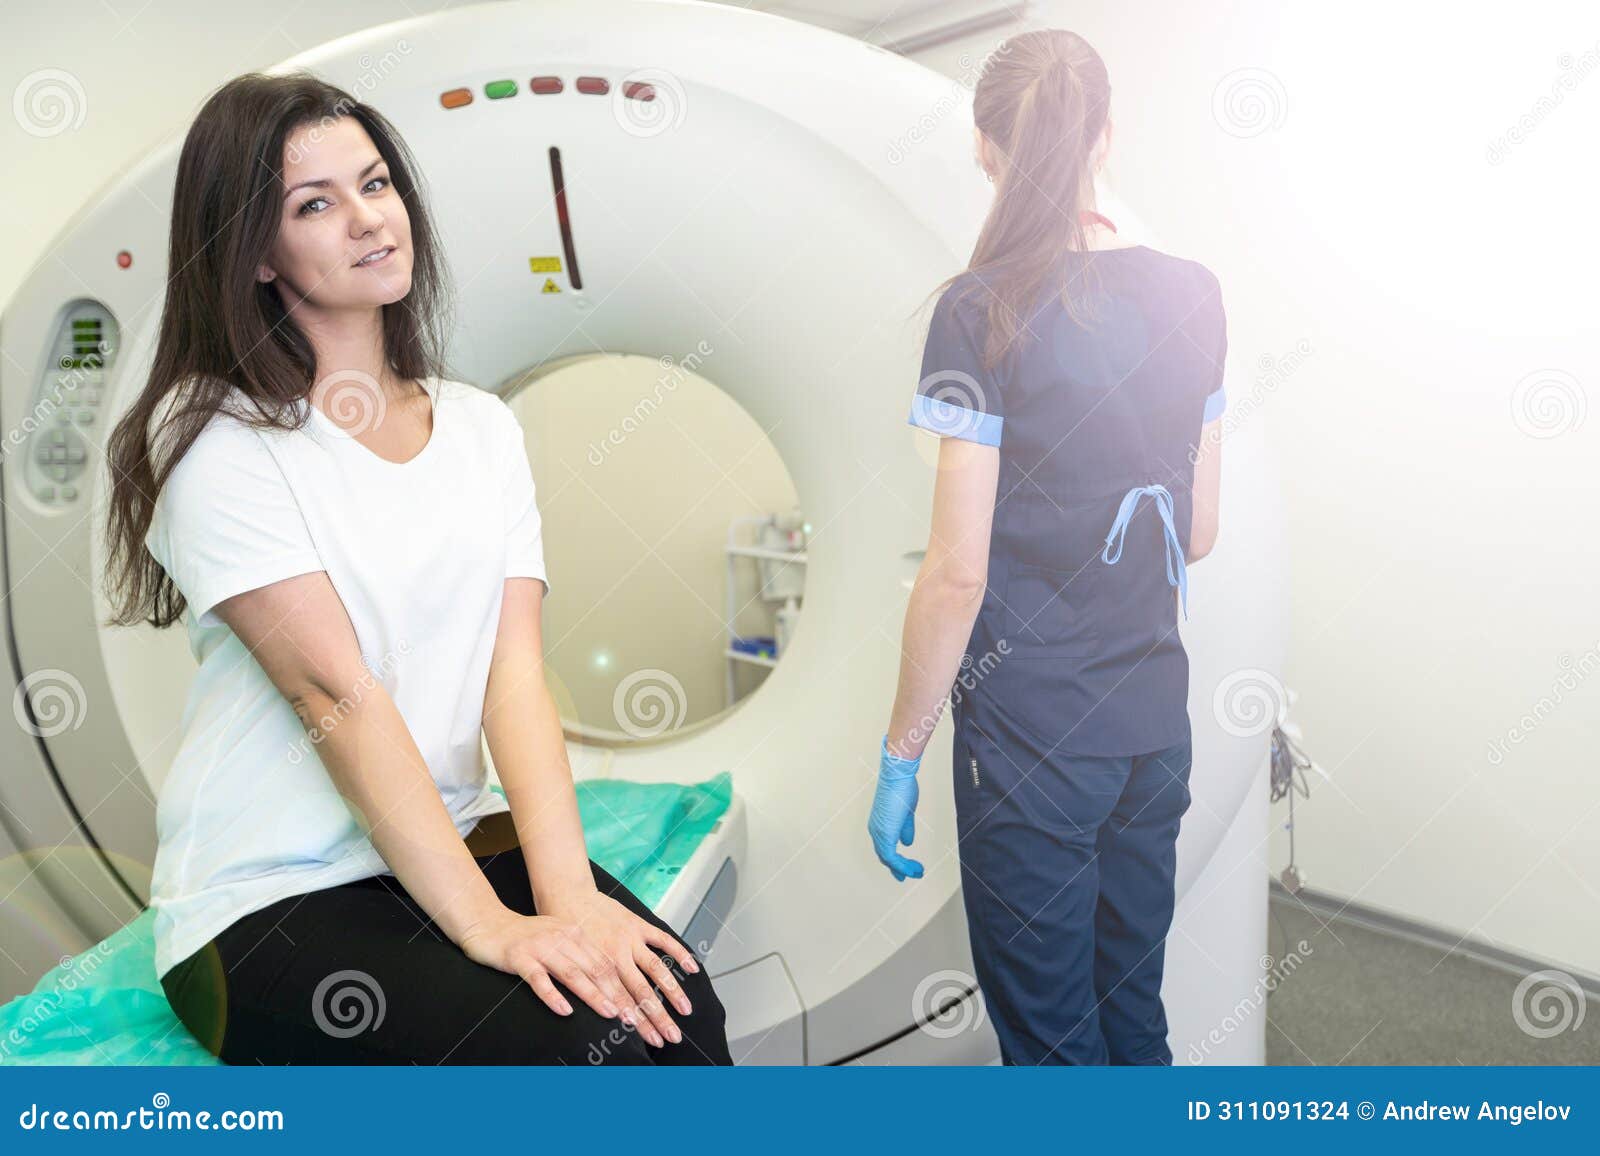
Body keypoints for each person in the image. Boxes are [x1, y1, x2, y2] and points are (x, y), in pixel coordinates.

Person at [100, 72, 731, 1065]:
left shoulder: (480, 426)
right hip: (269, 893)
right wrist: (492, 928)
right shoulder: (215, 437)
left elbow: (511, 671)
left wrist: (568, 902)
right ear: (257, 254)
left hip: (446, 842)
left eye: (376, 183)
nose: (367, 219)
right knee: (569, 1051)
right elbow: (332, 693)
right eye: (316, 204)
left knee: (676, 1005)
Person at [869, 29, 1227, 1065]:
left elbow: (956, 571)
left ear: (986, 149)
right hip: (1153, 732)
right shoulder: (1193, 291)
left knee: (1053, 1051)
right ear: (1104, 136)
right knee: (1132, 1021)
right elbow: (1197, 530)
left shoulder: (976, 310)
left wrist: (900, 751)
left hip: (1032, 746)